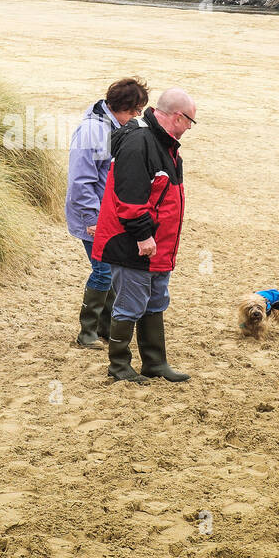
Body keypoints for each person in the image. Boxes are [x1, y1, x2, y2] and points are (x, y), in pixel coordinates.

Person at [92, 88, 195, 383]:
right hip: (134, 245)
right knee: (130, 304)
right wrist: (142, 237)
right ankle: (119, 366)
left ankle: (155, 363)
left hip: (158, 246)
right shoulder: (140, 142)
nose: (189, 127)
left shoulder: (163, 143)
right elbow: (130, 199)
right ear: (178, 116)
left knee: (155, 301)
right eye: (190, 121)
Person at [65, 77, 149, 348]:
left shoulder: (111, 126)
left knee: (110, 269)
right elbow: (81, 179)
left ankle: (103, 328)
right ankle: (86, 333)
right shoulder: (92, 130)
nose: (137, 116)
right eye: (135, 110)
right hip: (92, 216)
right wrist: (91, 218)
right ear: (121, 106)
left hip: (105, 216)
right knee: (102, 270)